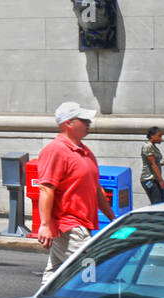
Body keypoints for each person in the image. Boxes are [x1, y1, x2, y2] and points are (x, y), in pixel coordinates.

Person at [35, 102, 113, 287]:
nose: (89, 122)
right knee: (90, 271)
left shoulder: (85, 152)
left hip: (81, 224)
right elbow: (46, 188)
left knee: (55, 274)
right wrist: (45, 225)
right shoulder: (55, 150)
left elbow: (96, 189)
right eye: (84, 119)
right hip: (69, 225)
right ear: (68, 123)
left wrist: (112, 217)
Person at [139, 127, 164, 205]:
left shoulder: (153, 147)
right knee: (156, 203)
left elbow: (155, 164)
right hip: (148, 180)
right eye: (159, 136)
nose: (161, 139)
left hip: (155, 179)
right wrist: (161, 180)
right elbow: (153, 164)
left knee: (162, 203)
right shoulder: (148, 146)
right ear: (152, 136)